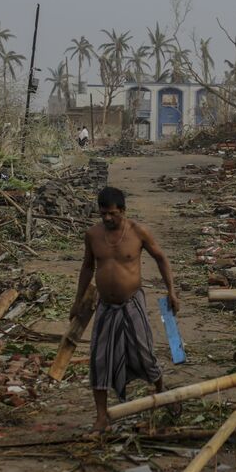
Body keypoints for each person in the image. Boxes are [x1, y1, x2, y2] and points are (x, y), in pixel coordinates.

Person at [73, 186, 180, 433]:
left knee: (144, 353)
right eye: (103, 213)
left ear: (122, 210)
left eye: (112, 213)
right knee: (99, 358)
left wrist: (171, 291)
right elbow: (87, 267)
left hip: (132, 303)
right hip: (105, 306)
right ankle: (101, 416)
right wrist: (77, 301)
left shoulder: (138, 232)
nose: (107, 218)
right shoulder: (93, 235)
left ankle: (161, 392)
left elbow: (161, 258)